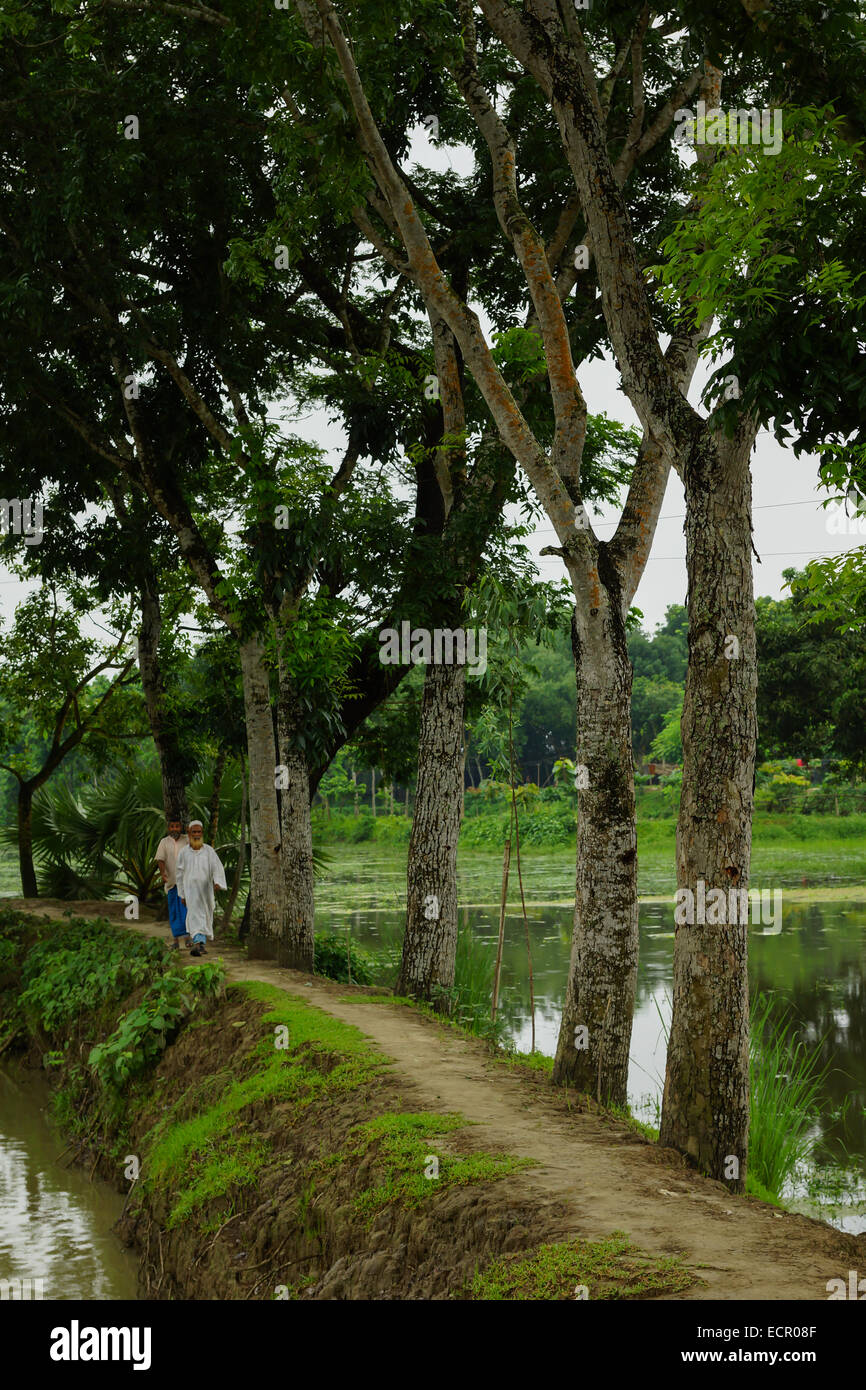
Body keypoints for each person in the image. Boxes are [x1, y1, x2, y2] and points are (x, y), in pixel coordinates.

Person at [175, 820, 226, 956]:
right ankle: (198, 945)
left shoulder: (209, 851)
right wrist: (182, 894)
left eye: (198, 832)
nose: (196, 835)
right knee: (195, 916)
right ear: (189, 833)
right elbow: (179, 875)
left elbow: (217, 868)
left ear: (202, 833)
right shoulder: (183, 852)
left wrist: (217, 882)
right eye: (194, 832)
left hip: (205, 891)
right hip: (190, 892)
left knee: (204, 915)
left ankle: (200, 944)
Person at [155, 816, 190, 951]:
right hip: (171, 883)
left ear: (180, 827)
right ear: (168, 828)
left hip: (186, 882)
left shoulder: (187, 840)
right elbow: (160, 860)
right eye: (172, 826)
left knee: (185, 910)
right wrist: (163, 873)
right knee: (174, 911)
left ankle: (187, 939)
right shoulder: (164, 842)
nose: (174, 829)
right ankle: (175, 940)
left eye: (177, 826)